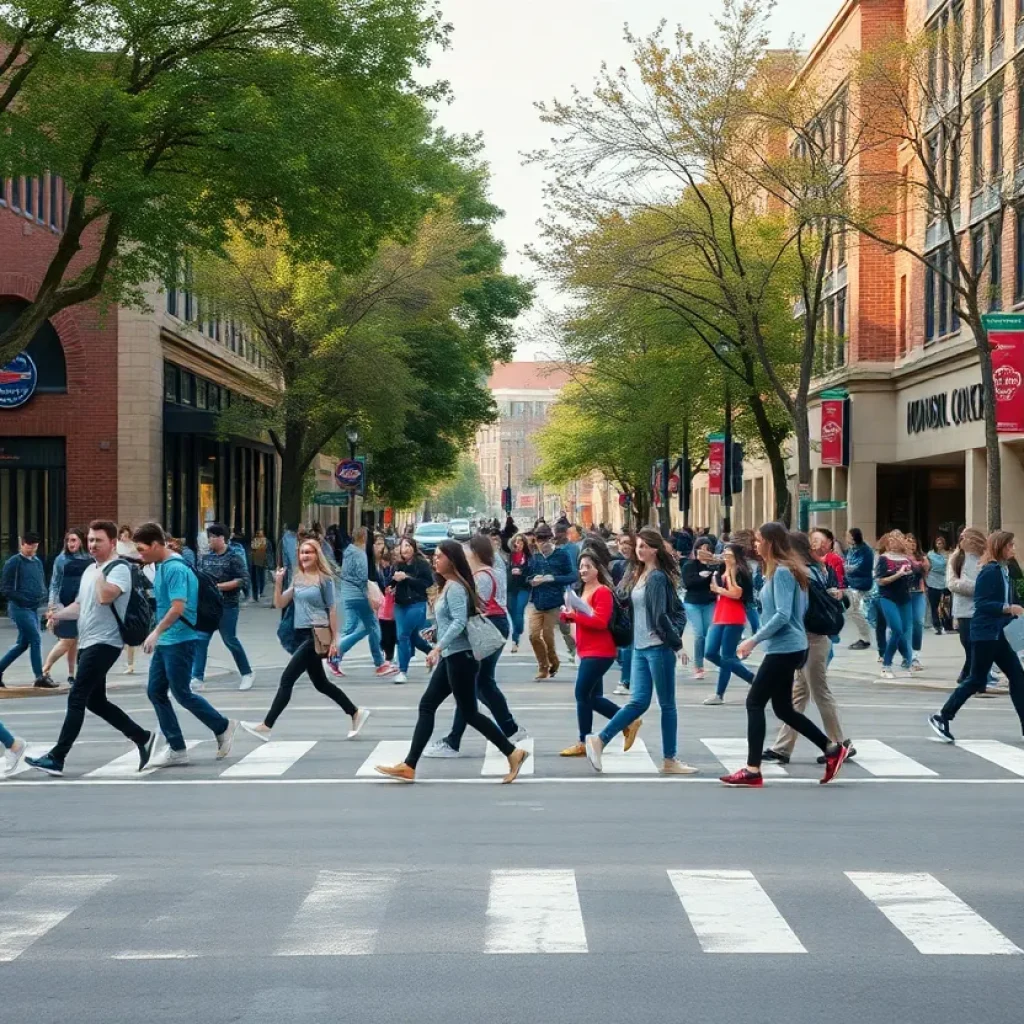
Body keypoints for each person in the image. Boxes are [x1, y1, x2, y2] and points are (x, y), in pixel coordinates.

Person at [374, 540, 530, 784]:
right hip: (453, 657)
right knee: (428, 706)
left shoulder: (456, 586)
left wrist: (436, 648)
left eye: (439, 556)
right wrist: (436, 630)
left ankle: (512, 752)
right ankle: (409, 765)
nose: (435, 560)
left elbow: (459, 622)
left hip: (461, 658)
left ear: (452, 559)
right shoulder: (448, 585)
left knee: (469, 713)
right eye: (434, 556)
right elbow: (455, 619)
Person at [721, 522, 851, 787]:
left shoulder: (782, 572)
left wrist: (753, 641)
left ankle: (752, 770)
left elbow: (783, 615)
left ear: (771, 542)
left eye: (758, 540)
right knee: (783, 709)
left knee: (754, 702)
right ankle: (832, 749)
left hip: (786, 648)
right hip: (789, 646)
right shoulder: (783, 570)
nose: (755, 545)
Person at [26, 521, 158, 777]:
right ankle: (143, 737)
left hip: (106, 643)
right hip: (87, 642)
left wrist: (100, 573)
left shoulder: (118, 569)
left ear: (112, 543)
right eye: (90, 540)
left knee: (76, 697)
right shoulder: (90, 570)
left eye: (98, 540)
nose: (92, 545)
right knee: (95, 702)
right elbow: (80, 605)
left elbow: (105, 597)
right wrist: (57, 616)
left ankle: (57, 757)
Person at [584, 527, 697, 776]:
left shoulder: (656, 576)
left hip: (655, 646)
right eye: (638, 546)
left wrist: (676, 644)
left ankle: (603, 741)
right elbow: (632, 604)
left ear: (656, 549)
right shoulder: (640, 573)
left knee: (651, 703)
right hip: (644, 647)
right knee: (650, 703)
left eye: (645, 546)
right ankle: (666, 759)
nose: (640, 550)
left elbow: (662, 615)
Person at [241, 539, 368, 742]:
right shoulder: (298, 578)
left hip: (316, 634)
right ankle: (355, 712)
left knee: (287, 679)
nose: (305, 556)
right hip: (302, 634)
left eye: (309, 552)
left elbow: (332, 610)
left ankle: (266, 726)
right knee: (321, 683)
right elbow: (280, 602)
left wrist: (335, 641)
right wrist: (279, 582)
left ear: (317, 555)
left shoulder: (324, 580)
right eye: (302, 553)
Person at [133, 522, 238, 767]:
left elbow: (178, 607)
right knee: (156, 691)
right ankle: (177, 746)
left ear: (156, 545)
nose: (141, 555)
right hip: (170, 639)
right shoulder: (161, 564)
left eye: (142, 549)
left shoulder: (174, 568)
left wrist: (155, 633)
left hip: (179, 639)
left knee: (181, 693)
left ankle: (221, 726)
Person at [424, 533, 526, 758]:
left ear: (477, 553)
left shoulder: (479, 577)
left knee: (474, 686)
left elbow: (468, 613)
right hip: (493, 624)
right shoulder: (494, 570)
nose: (464, 555)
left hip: (485, 627)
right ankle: (509, 729)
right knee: (481, 684)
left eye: (467, 551)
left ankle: (457, 740)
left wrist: (441, 640)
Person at [762, 531, 853, 765]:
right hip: (814, 637)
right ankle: (782, 747)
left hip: (811, 637)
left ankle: (839, 743)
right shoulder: (819, 569)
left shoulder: (801, 572)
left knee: (819, 691)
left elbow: (794, 610)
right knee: (799, 694)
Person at [929, 530, 1024, 743]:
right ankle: (942, 716)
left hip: (996, 633)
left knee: (1018, 677)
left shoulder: (1003, 570)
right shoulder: (990, 571)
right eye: (1010, 546)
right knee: (976, 679)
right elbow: (982, 604)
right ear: (1000, 547)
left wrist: (1014, 608)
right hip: (984, 633)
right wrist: (1008, 608)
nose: (1013, 549)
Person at [559, 552, 621, 756]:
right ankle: (627, 720)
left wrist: (575, 616)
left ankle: (585, 739)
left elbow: (600, 622)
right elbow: (581, 617)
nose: (583, 570)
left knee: (582, 694)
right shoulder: (583, 589)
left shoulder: (603, 591)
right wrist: (567, 615)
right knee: (593, 696)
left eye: (588, 566)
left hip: (600, 651)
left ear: (598, 569)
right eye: (581, 566)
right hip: (585, 649)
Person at [190, 523, 254, 692]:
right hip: (206, 607)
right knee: (201, 640)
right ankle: (197, 677)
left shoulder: (234, 556)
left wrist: (218, 586)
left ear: (221, 538)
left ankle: (246, 673)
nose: (209, 540)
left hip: (227, 605)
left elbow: (243, 579)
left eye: (212, 537)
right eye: (209, 536)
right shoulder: (205, 557)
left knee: (229, 640)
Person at [337, 527, 396, 677]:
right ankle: (336, 654)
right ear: (365, 538)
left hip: (349, 594)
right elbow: (363, 579)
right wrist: (370, 597)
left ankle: (379, 663)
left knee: (363, 627)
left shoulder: (349, 551)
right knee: (369, 627)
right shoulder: (360, 554)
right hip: (360, 595)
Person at [702, 544, 756, 704]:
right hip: (720, 614)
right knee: (710, 652)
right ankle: (752, 679)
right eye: (725, 554)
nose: (726, 557)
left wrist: (721, 588)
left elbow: (736, 593)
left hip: (734, 616)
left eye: (729, 555)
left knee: (727, 657)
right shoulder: (721, 568)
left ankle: (720, 694)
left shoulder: (740, 572)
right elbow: (713, 584)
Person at [40, 528, 91, 686]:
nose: (70, 543)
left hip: (83, 603)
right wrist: (53, 606)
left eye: (74, 540)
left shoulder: (90, 558)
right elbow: (54, 584)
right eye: (68, 540)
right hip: (65, 603)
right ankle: (44, 671)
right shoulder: (61, 559)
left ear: (81, 541)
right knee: (67, 639)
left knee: (74, 640)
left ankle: (71, 674)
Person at [526, 524, 578, 679]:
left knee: (548, 635)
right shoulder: (535, 557)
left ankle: (552, 662)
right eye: (539, 539)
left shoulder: (562, 554)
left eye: (544, 539)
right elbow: (527, 576)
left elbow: (573, 576)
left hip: (555, 601)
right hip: (537, 601)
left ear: (551, 539)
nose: (542, 543)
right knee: (533, 636)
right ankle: (543, 665)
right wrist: (531, 580)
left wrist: (553, 578)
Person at [0, 531, 50, 687]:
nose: (32, 550)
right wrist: (23, 599)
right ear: (22, 544)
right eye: (29, 546)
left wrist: (43, 596)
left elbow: (40, 580)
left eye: (35, 547)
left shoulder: (36, 562)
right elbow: (5, 588)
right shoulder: (14, 562)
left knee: (23, 643)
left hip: (34, 607)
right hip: (19, 607)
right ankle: (39, 677)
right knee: (35, 638)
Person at [946, 528, 986, 690]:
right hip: (963, 609)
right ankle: (968, 675)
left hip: (982, 609)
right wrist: (978, 588)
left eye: (967, 537)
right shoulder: (956, 558)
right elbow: (951, 583)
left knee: (977, 646)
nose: (964, 540)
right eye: (962, 537)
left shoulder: (984, 558)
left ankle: (974, 679)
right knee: (968, 644)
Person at [390, 537, 435, 683]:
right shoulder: (398, 564)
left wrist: (407, 578)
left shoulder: (421, 564)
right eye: (403, 546)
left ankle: (402, 671)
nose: (405, 549)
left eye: (408, 545)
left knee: (403, 635)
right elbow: (391, 582)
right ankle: (432, 652)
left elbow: (427, 583)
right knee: (413, 637)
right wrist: (392, 585)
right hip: (400, 604)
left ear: (414, 548)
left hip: (416, 604)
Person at [875, 531, 916, 679]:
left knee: (903, 631)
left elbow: (912, 580)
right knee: (897, 629)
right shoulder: (883, 558)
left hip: (904, 597)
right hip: (888, 597)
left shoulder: (906, 558)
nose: (893, 542)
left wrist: (910, 573)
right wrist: (898, 574)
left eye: (897, 539)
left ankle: (907, 659)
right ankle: (886, 665)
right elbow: (880, 581)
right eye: (890, 540)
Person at [682, 537, 717, 680]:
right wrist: (702, 578)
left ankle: (710, 659)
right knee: (699, 634)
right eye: (702, 548)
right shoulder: (689, 565)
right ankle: (698, 665)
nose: (704, 551)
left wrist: (711, 571)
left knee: (708, 632)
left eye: (708, 549)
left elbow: (717, 582)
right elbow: (688, 583)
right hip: (693, 603)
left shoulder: (713, 566)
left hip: (709, 602)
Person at [611, 531, 637, 695]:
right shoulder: (618, 566)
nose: (625, 546)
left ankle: (626, 680)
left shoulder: (640, 565)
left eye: (628, 543)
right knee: (622, 649)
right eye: (622, 543)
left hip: (638, 611)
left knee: (628, 648)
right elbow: (616, 590)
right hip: (623, 612)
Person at [843, 527, 874, 649]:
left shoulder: (865, 550)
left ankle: (865, 638)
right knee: (852, 611)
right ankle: (864, 636)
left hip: (860, 584)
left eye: (847, 535)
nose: (845, 538)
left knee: (854, 610)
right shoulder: (851, 550)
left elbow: (863, 567)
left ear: (853, 537)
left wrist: (849, 569)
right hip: (851, 583)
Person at [116, 526, 141, 674]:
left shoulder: (133, 548)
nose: (124, 537)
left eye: (127, 535)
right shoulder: (118, 549)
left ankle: (130, 664)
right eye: (122, 535)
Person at [905, 533, 929, 669]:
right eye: (908, 540)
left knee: (918, 622)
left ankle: (915, 656)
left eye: (914, 540)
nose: (912, 543)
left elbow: (926, 573)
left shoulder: (922, 558)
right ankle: (906, 654)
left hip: (918, 593)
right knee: (905, 625)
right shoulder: (900, 558)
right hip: (904, 594)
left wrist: (924, 565)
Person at [506, 533, 531, 654]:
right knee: (512, 613)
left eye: (521, 542)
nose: (518, 544)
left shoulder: (529, 557)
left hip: (523, 587)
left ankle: (515, 639)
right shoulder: (509, 557)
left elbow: (532, 571)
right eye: (516, 542)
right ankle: (517, 632)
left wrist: (522, 573)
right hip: (510, 589)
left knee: (519, 611)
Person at [375, 539, 398, 665]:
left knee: (391, 632)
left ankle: (389, 655)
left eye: (386, 562)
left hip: (391, 605)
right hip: (383, 606)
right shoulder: (379, 571)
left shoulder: (393, 570)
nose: (384, 565)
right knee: (383, 632)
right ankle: (385, 652)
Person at [926, 536, 951, 635]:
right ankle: (937, 625)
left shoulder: (948, 555)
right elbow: (928, 566)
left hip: (944, 580)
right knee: (934, 604)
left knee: (944, 605)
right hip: (932, 579)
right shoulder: (930, 554)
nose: (939, 545)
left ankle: (946, 624)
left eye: (941, 543)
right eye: (937, 543)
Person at [250, 528, 272, 603]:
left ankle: (260, 591)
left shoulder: (265, 541)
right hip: (256, 562)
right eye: (258, 534)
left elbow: (269, 551)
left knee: (261, 577)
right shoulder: (256, 540)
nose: (259, 535)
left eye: (260, 534)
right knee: (257, 578)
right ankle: (258, 593)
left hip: (262, 562)